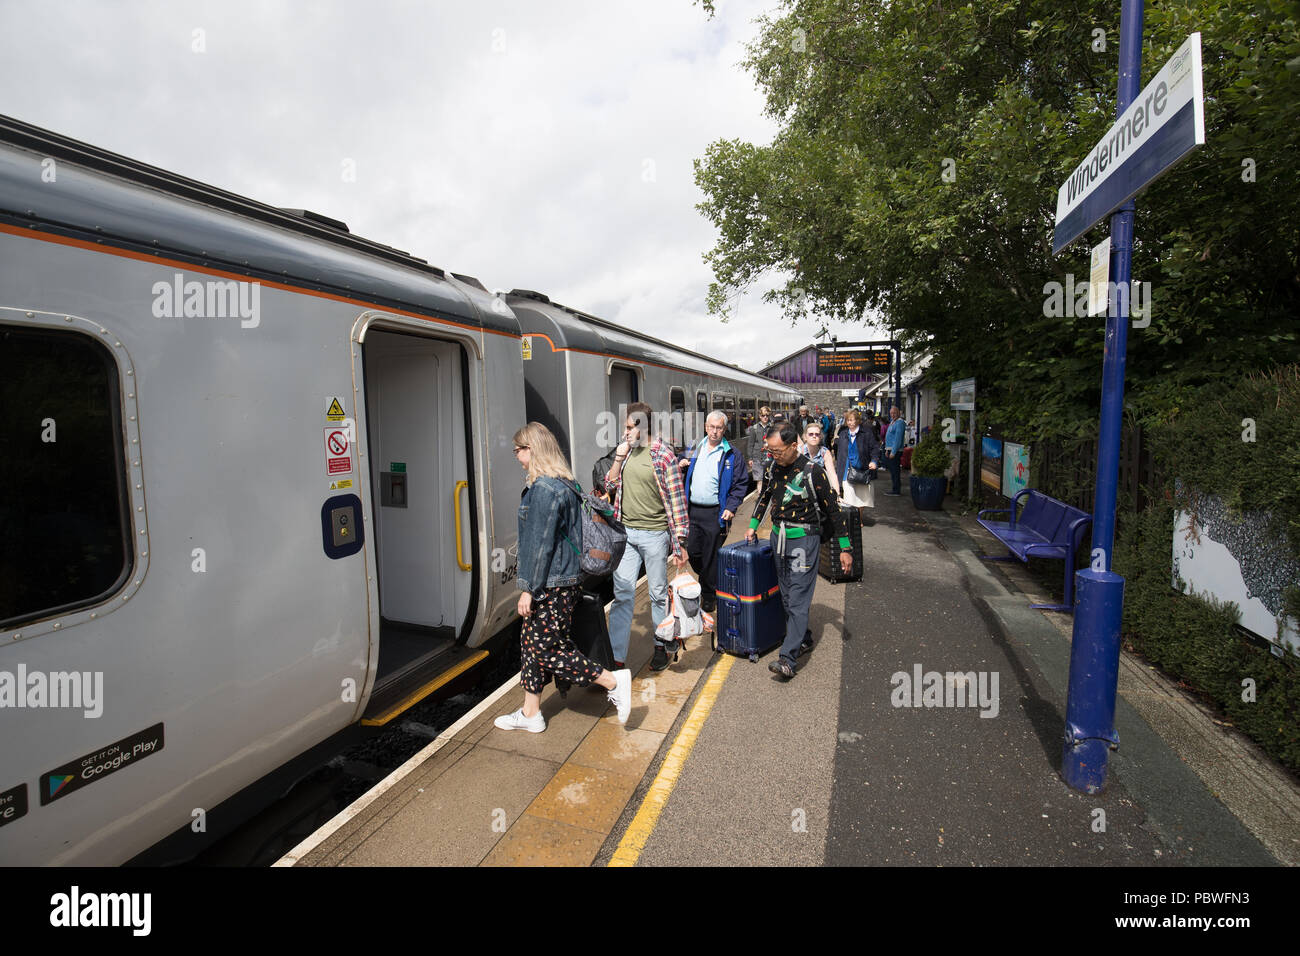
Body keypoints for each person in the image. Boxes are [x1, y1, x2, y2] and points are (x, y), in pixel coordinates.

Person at [495, 423, 631, 732]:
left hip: (552, 582)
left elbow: (538, 544)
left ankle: (612, 681)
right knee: (531, 644)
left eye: (519, 450)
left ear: (533, 450)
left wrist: (528, 589)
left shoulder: (543, 488)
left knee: (547, 648)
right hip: (565, 578)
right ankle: (531, 713)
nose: (516, 456)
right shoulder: (566, 482)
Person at [747, 422, 853, 679]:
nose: (772, 455)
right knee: (785, 594)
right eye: (769, 450)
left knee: (797, 598)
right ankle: (803, 638)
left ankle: (787, 659)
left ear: (794, 445)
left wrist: (845, 548)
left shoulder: (812, 471)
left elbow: (834, 511)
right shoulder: (772, 466)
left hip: (803, 544)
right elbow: (765, 497)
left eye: (777, 450)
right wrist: (752, 525)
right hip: (778, 539)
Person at [604, 402, 691, 672]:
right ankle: (615, 658)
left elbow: (677, 503)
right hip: (626, 534)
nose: (626, 432)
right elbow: (609, 485)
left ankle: (661, 645)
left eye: (630, 427)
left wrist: (680, 545)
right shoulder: (627, 452)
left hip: (654, 535)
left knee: (657, 594)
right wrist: (618, 458)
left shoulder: (663, 455)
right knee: (623, 594)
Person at [678, 411, 750, 613]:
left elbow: (740, 483)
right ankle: (711, 578)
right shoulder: (694, 447)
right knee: (693, 551)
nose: (714, 431)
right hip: (692, 511)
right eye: (711, 427)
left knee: (711, 554)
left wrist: (730, 507)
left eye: (719, 428)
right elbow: (677, 465)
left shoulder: (732, 454)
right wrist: (681, 464)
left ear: (724, 430)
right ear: (705, 427)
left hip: (715, 512)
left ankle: (709, 595)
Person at [834, 408, 880, 515]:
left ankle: (859, 517)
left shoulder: (866, 433)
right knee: (849, 497)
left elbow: (874, 448)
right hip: (847, 470)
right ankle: (853, 520)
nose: (850, 422)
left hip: (862, 469)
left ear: (858, 420)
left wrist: (874, 461)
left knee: (862, 497)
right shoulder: (843, 434)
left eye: (852, 420)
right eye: (848, 420)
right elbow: (839, 453)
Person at [799, 420, 839, 497]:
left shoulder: (824, 452)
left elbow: (832, 474)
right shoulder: (799, 451)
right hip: (802, 489)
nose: (814, 436)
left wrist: (837, 494)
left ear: (820, 437)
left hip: (820, 488)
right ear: (805, 437)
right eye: (811, 434)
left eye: (817, 434)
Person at [746, 406, 773, 499]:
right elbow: (750, 444)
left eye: (767, 415)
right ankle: (761, 497)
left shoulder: (772, 428)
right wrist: (750, 458)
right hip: (757, 457)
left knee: (769, 478)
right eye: (763, 415)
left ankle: (769, 496)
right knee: (759, 479)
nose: (765, 417)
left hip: (770, 456)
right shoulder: (754, 429)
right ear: (759, 416)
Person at [882, 405, 906, 496]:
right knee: (892, 471)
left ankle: (896, 490)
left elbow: (898, 438)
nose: (893, 415)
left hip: (895, 451)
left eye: (894, 413)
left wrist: (893, 452)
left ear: (899, 413)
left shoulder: (900, 423)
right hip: (890, 449)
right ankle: (894, 488)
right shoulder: (893, 422)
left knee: (895, 471)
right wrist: (887, 450)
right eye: (891, 413)